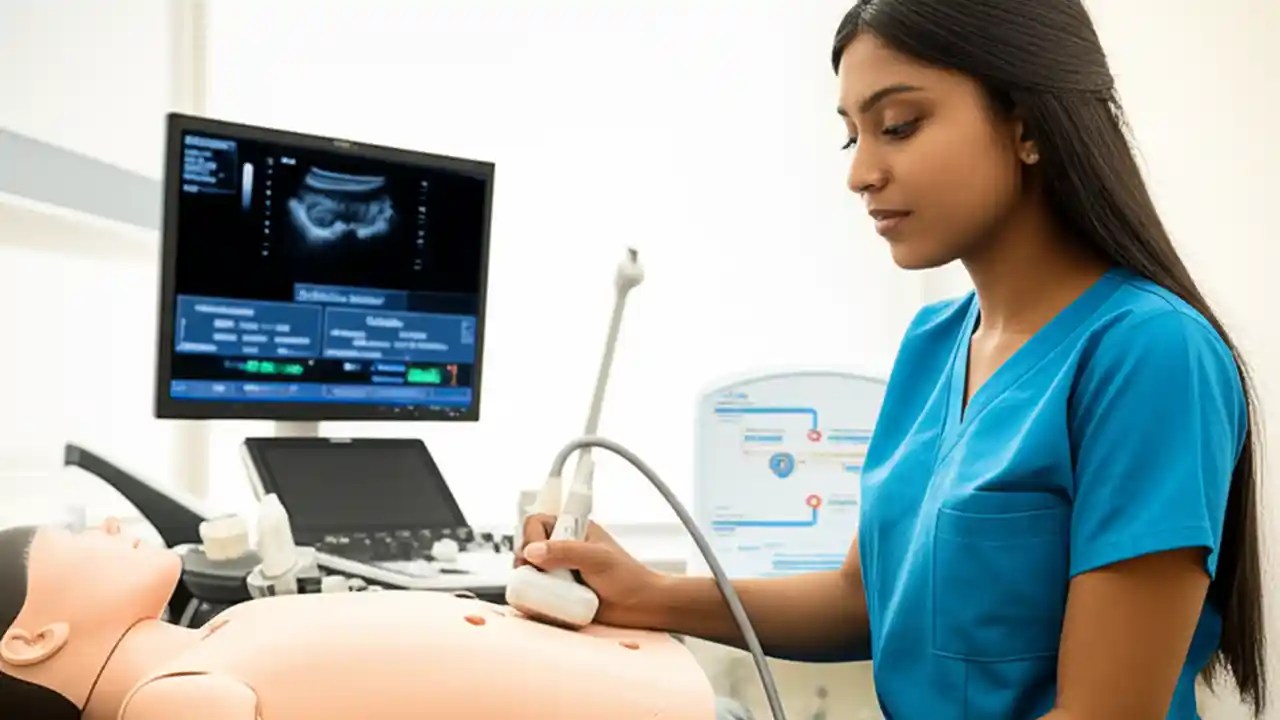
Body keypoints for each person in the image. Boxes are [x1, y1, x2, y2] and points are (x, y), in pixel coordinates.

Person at [516, 1, 1266, 718]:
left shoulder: (1151, 354)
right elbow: (867, 601)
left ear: (1029, 125)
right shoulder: (935, 341)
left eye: (898, 126)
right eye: (853, 136)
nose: (860, 171)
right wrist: (646, 594)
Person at [0, 521, 719, 719]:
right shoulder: (163, 698)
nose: (107, 522)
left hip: (649, 673)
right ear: (32, 641)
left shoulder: (208, 639)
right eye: (74, 538)